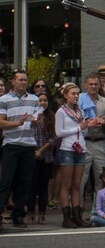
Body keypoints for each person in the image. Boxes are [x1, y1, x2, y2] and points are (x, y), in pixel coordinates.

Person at [0, 71, 45, 230]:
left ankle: (18, 215)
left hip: (28, 144)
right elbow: (1, 122)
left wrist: (37, 120)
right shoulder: (4, 99)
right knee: (7, 181)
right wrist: (17, 123)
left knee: (24, 182)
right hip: (11, 144)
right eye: (20, 80)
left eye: (25, 80)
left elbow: (38, 121)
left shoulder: (34, 99)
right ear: (13, 82)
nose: (23, 82)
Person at [53, 81, 92, 228]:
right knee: (66, 185)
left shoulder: (80, 111)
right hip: (67, 149)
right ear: (65, 95)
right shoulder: (61, 111)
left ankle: (77, 216)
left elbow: (84, 132)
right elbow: (58, 133)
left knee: (77, 184)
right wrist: (79, 128)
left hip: (80, 148)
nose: (76, 96)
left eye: (77, 94)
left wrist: (87, 126)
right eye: (73, 94)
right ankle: (66, 217)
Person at [31, 91, 57, 224]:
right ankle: (30, 213)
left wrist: (41, 150)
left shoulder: (52, 116)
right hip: (31, 155)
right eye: (40, 100)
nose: (42, 103)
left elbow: (54, 137)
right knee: (31, 185)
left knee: (43, 186)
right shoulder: (31, 116)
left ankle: (42, 214)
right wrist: (34, 151)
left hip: (46, 155)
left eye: (45, 100)